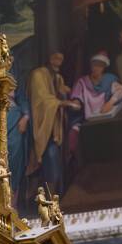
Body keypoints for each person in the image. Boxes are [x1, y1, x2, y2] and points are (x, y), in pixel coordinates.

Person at [26, 51, 79, 195]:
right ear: (49, 58)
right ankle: (49, 198)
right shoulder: (38, 75)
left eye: (61, 59)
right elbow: (41, 99)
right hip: (43, 126)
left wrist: (67, 95)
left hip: (55, 127)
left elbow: (60, 92)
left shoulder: (57, 77)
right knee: (50, 160)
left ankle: (54, 197)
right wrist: (63, 102)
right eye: (56, 58)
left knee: (56, 162)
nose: (59, 62)